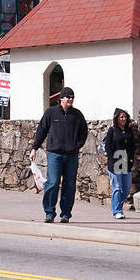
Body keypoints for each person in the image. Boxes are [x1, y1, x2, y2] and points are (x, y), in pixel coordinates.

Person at [30, 87, 88, 224]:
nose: (71, 99)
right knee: (53, 182)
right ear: (61, 98)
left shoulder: (77, 115)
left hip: (71, 155)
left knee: (69, 185)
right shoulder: (51, 113)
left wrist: (76, 145)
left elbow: (83, 133)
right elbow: (41, 131)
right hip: (55, 154)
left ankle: (66, 214)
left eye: (73, 97)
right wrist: (34, 148)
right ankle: (49, 212)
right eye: (68, 97)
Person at [101, 108, 136, 219]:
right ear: (116, 118)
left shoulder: (129, 131)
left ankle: (117, 206)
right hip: (116, 160)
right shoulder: (112, 130)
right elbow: (108, 146)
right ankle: (117, 211)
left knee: (126, 188)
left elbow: (132, 146)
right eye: (121, 117)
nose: (123, 119)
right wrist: (111, 159)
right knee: (117, 187)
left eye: (125, 117)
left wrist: (131, 159)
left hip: (126, 161)